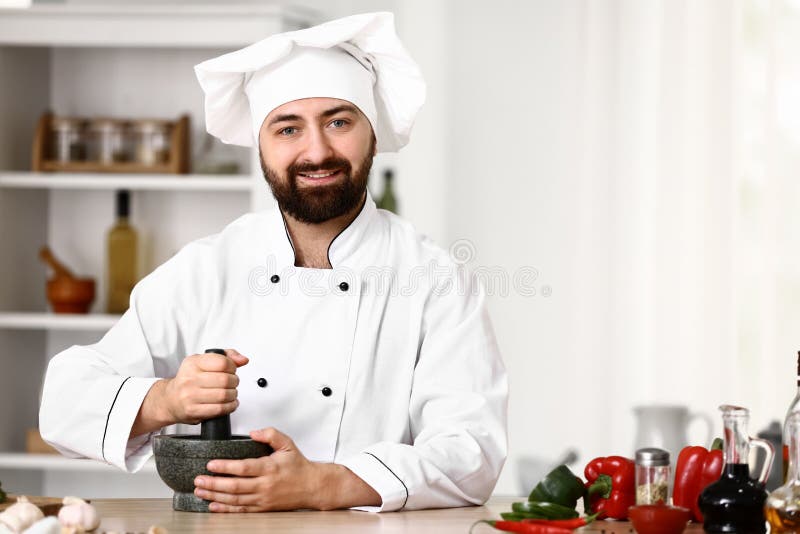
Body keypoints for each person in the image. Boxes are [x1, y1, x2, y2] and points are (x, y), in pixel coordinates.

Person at [40, 12, 507, 513]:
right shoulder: (208, 268)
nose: (317, 150)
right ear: (260, 148)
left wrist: (324, 484)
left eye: (339, 121)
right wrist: (166, 400)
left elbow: (470, 452)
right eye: (288, 129)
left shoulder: (434, 278)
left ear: (372, 132)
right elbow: (64, 403)